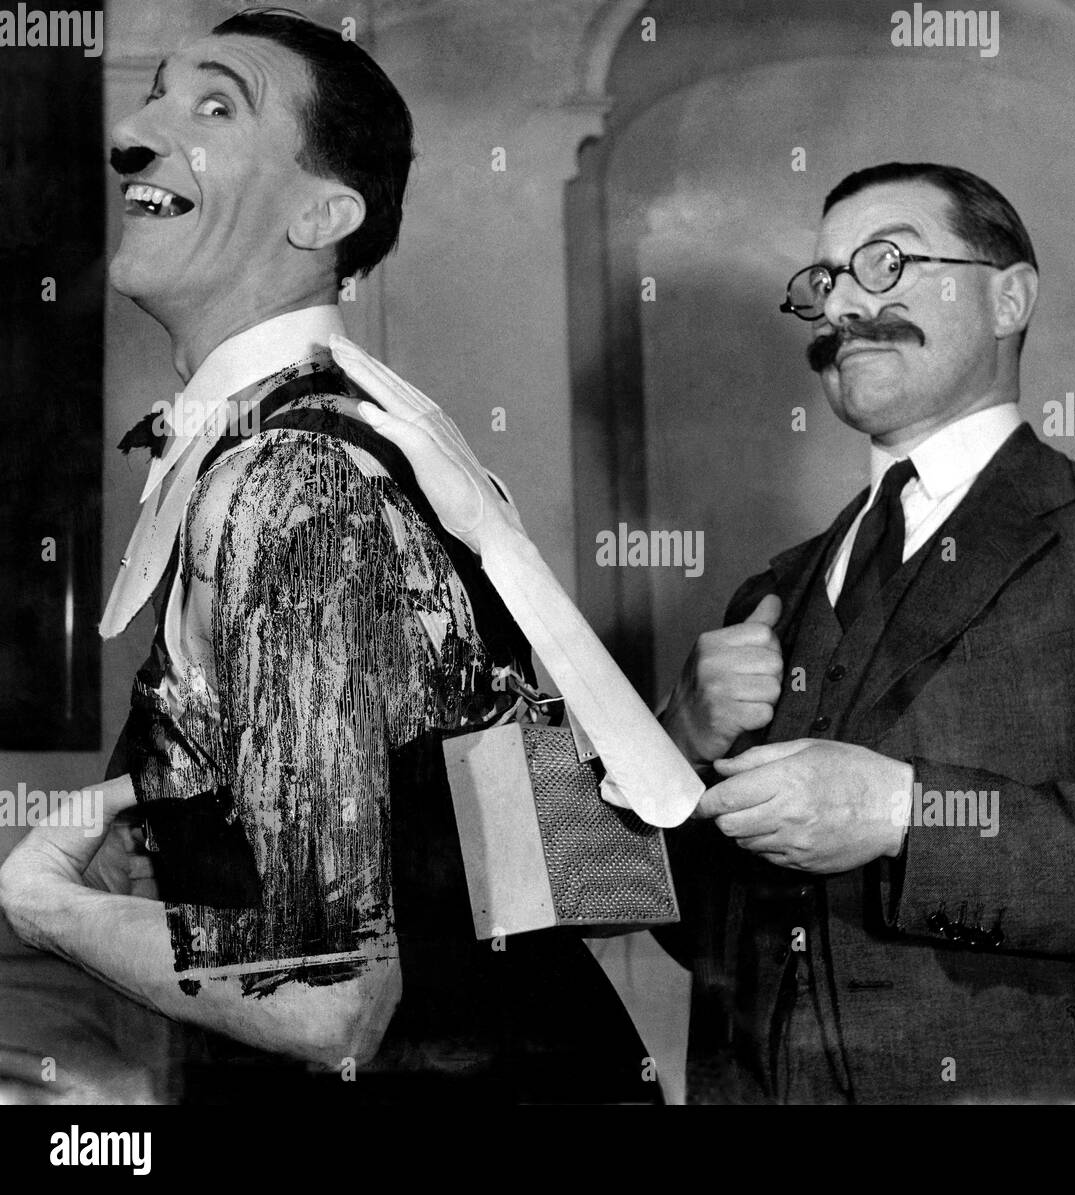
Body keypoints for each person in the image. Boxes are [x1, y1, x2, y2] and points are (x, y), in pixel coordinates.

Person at [0, 7, 651, 1104]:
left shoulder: (294, 479)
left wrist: (47, 904)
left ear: (323, 215)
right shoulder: (351, 438)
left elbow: (330, 999)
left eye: (215, 104)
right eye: (154, 92)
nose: (132, 133)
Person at [659, 161, 1075, 1105]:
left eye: (887, 262)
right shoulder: (772, 589)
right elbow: (698, 930)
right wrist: (682, 741)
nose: (842, 310)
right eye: (824, 282)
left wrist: (906, 813)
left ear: (1009, 296)